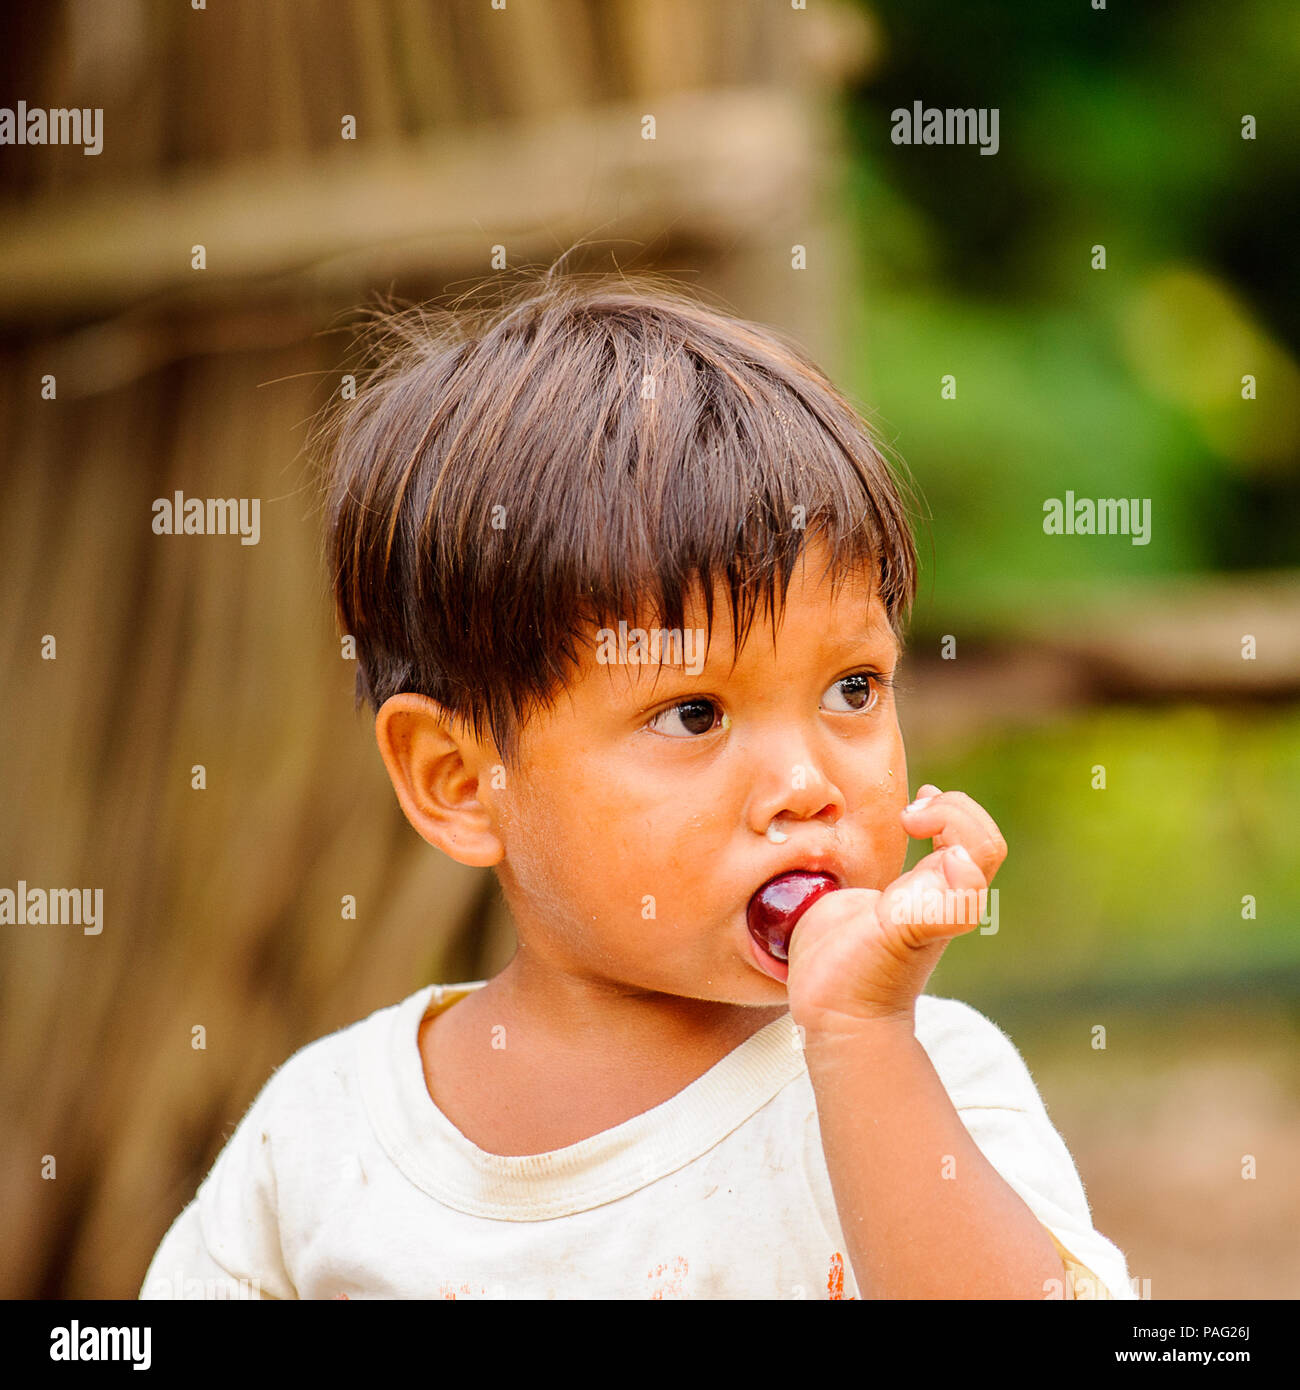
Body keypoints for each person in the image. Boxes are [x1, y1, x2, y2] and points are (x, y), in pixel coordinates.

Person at [140, 268, 1138, 1300]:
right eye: (694, 713)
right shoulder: (323, 1144)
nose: (805, 785)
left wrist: (862, 1041)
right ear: (458, 781)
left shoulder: (926, 1079)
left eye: (851, 688)